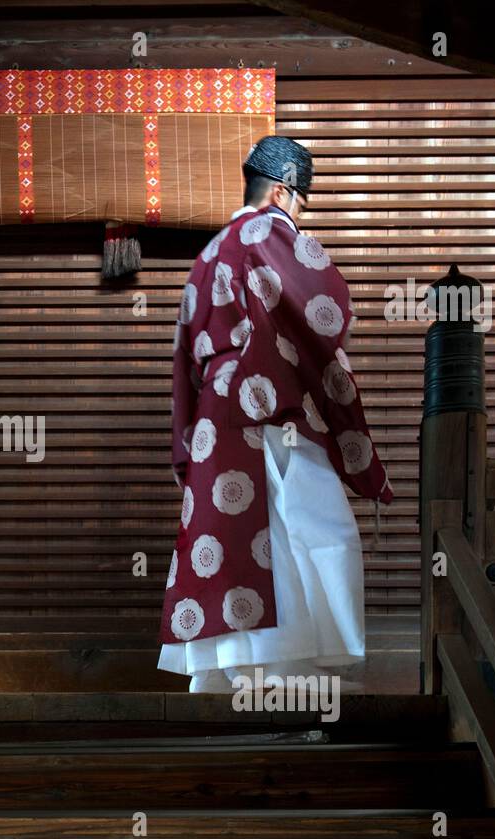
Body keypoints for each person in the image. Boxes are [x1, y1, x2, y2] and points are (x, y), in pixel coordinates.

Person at [158, 135, 394, 694]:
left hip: (216, 421)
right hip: (268, 409)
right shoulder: (269, 231)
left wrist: (187, 444)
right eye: (301, 203)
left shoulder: (210, 252)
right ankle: (289, 677)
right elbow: (326, 310)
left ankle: (222, 678)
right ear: (286, 191)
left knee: (226, 540)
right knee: (303, 529)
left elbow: (184, 357)